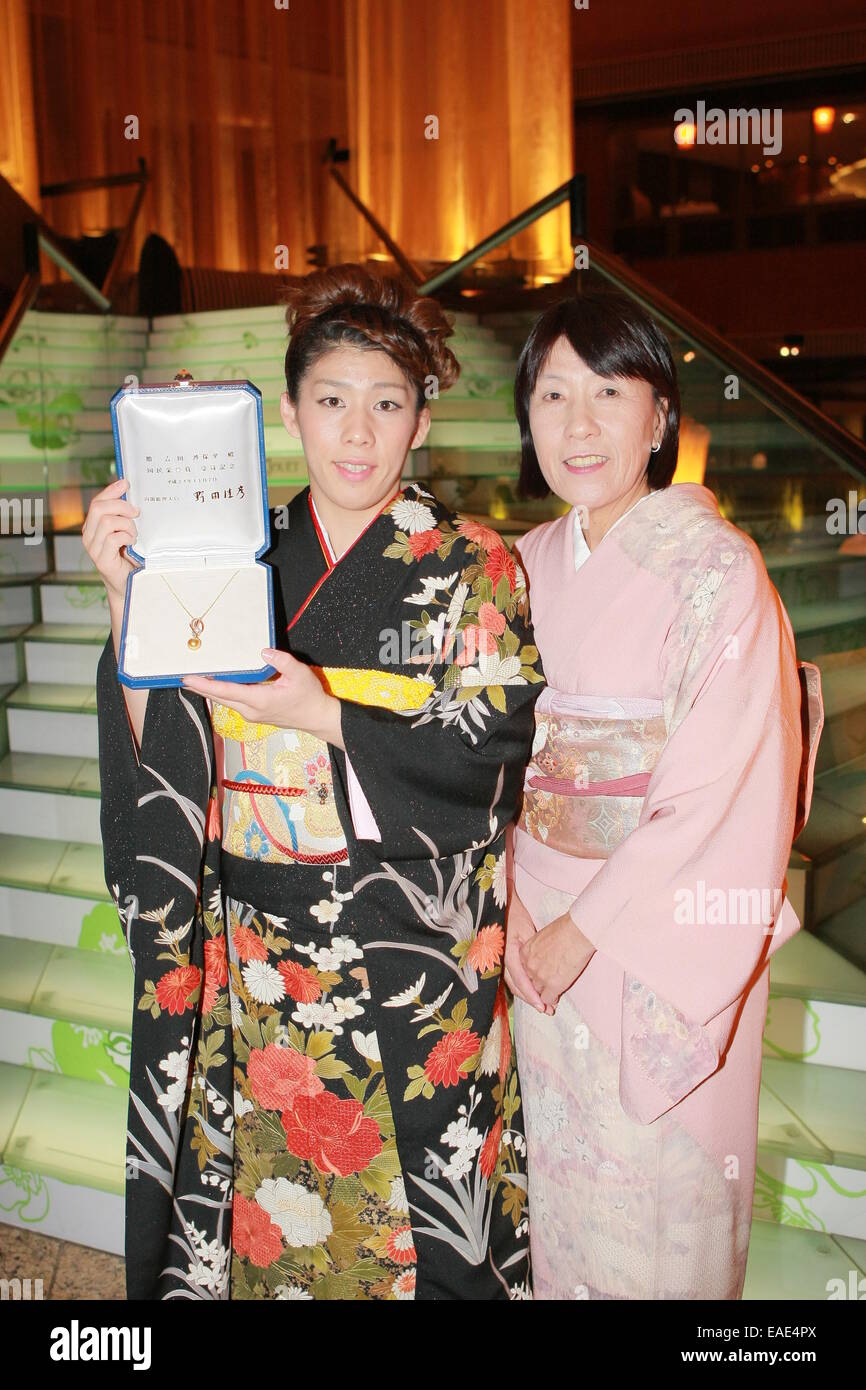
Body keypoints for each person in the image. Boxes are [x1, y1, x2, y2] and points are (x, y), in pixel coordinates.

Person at [89, 264, 544, 1300]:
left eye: (387, 404)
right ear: (287, 412)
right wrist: (127, 596)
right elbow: (164, 750)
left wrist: (321, 712)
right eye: (330, 401)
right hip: (263, 965)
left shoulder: (471, 563)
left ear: (421, 419)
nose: (356, 432)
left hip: (412, 953)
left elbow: (491, 748)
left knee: (420, 1233)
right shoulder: (229, 556)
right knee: (277, 1222)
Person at [502, 288, 824, 1300]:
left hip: (645, 934)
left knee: (661, 1207)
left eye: (609, 389)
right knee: (560, 1190)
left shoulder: (716, 571)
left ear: (658, 415)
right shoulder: (521, 565)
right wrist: (514, 905)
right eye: (552, 394)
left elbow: (727, 780)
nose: (580, 422)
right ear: (526, 419)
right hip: (528, 912)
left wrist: (582, 926)